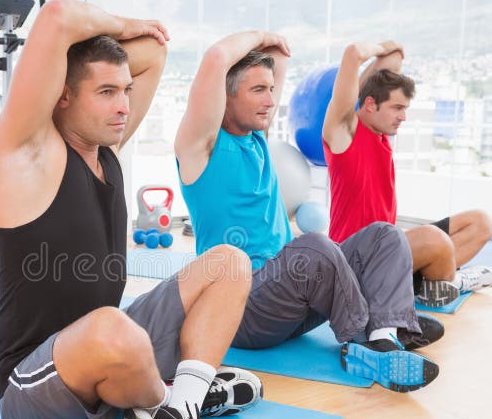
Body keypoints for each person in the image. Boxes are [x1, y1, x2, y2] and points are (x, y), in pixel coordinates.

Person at [0, 0, 262, 419]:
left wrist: (115, 48)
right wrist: (125, 25)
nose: (123, 106)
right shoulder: (28, 157)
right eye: (106, 91)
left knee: (231, 262)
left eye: (126, 90)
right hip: (35, 378)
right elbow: (56, 19)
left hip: (117, 347)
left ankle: (180, 408)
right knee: (111, 328)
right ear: (63, 96)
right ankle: (172, 400)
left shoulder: (107, 150)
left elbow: (153, 54)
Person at [175, 31, 443, 394]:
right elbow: (215, 58)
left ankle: (386, 333)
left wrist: (274, 50)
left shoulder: (257, 138)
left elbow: (277, 58)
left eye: (272, 89)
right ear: (225, 95)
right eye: (258, 91)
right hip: (243, 307)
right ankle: (363, 342)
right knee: (316, 245)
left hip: (292, 298)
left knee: (386, 235)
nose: (271, 100)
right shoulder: (199, 148)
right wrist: (260, 35)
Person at [322, 40, 492, 307]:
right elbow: (353, 54)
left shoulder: (380, 136)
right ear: (370, 104)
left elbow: (393, 59)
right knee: (435, 239)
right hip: (355, 259)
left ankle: (430, 282)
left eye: (405, 108)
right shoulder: (344, 134)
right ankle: (453, 282)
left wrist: (390, 53)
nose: (403, 117)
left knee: (481, 222)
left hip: (389, 248)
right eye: (397, 108)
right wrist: (382, 46)